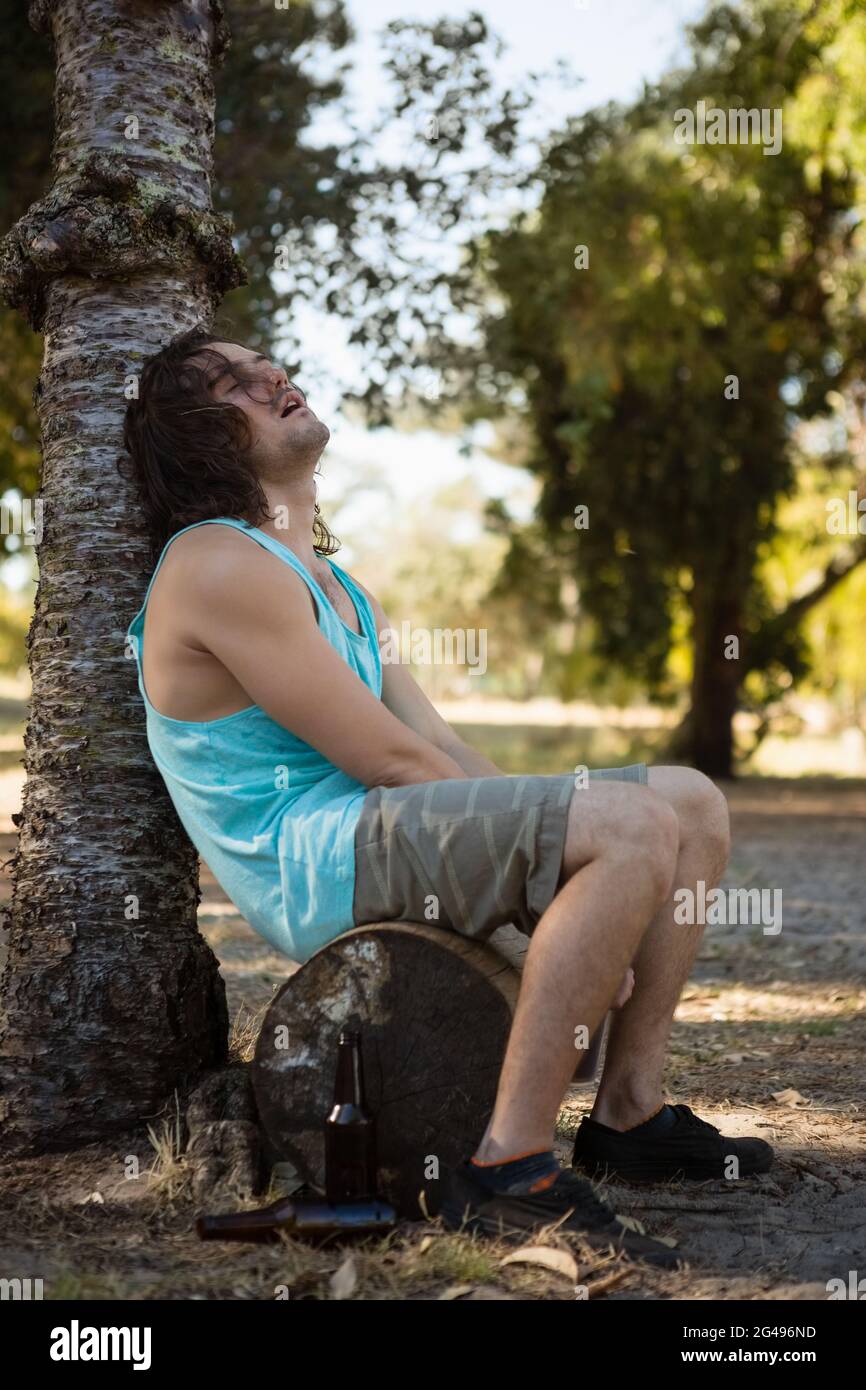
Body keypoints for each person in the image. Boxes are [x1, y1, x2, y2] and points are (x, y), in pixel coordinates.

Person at [123, 328, 773, 1264]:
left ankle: (629, 1113)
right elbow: (389, 759)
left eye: (263, 364)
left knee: (687, 802)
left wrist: (567, 838)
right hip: (317, 857)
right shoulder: (215, 565)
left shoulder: (336, 585)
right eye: (232, 384)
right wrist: (571, 871)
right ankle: (508, 1168)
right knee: (627, 829)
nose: (273, 377)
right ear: (199, 440)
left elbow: (436, 742)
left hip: (376, 826)